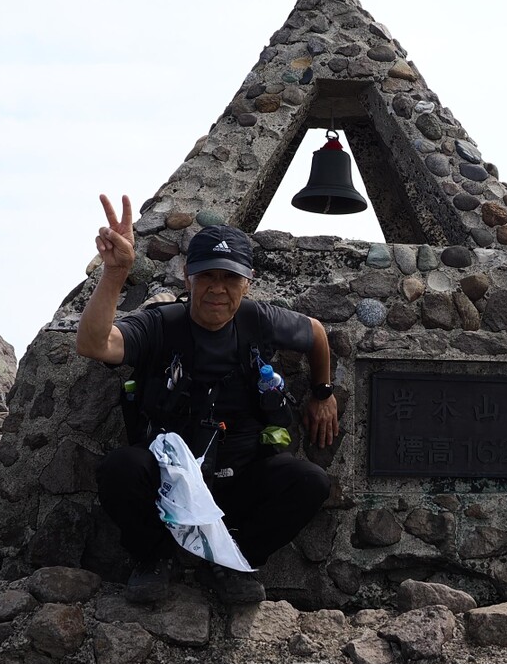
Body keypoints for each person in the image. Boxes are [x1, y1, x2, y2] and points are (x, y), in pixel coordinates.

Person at [78, 194, 338, 604]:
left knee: (309, 482)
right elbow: (95, 344)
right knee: (120, 468)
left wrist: (323, 393)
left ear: (247, 281)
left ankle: (233, 559)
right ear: (188, 277)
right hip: (168, 482)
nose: (218, 288)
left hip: (242, 476)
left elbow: (318, 333)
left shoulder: (260, 320)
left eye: (229, 278)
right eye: (207, 277)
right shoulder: (160, 325)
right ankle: (154, 556)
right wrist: (116, 272)